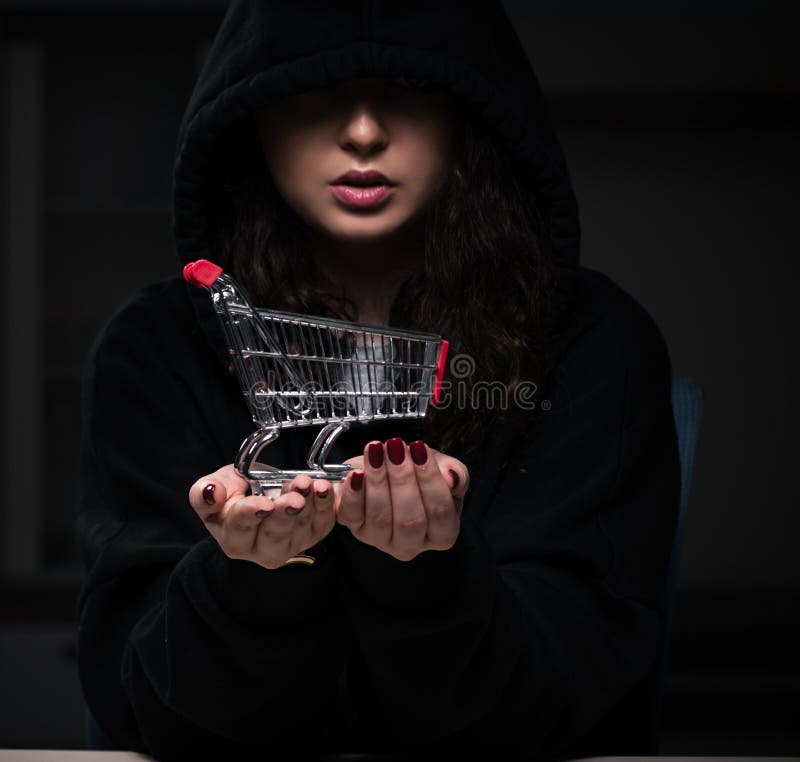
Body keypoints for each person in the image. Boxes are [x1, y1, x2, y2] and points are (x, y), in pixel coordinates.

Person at [75, 2, 681, 761]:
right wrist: (250, 579)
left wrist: (427, 577)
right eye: (313, 89)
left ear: (469, 107)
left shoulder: (593, 343)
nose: (363, 131)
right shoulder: (153, 348)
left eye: (407, 86)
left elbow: (579, 694)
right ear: (251, 115)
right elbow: (139, 704)